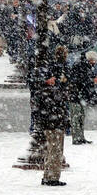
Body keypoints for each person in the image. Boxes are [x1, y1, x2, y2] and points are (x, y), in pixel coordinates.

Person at [36, 53, 69, 185]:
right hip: (53, 125)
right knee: (55, 152)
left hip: (52, 124)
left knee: (52, 151)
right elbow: (56, 106)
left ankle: (48, 175)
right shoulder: (49, 92)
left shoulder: (45, 91)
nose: (54, 79)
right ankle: (52, 177)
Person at [67, 49, 97, 145]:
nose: (95, 63)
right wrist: (93, 81)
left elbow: (84, 78)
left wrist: (94, 78)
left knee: (80, 117)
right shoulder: (82, 66)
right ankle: (77, 138)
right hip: (76, 95)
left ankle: (80, 137)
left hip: (78, 95)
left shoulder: (83, 65)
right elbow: (82, 80)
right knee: (77, 117)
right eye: (94, 61)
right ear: (91, 60)